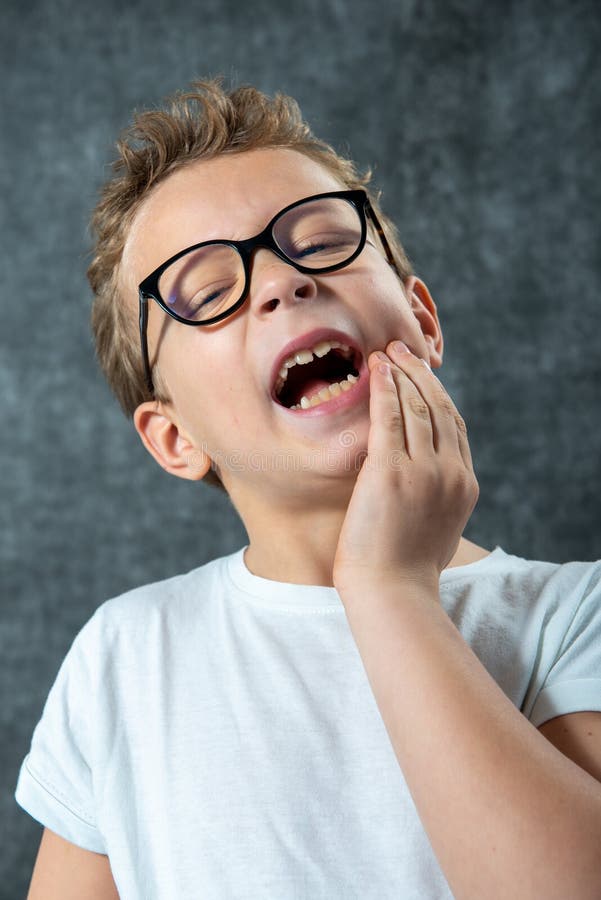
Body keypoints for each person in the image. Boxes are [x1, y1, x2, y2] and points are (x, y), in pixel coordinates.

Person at [16, 79, 601, 900]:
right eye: (207, 293)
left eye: (322, 242)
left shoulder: (576, 618)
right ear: (175, 438)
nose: (282, 283)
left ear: (423, 322)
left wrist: (390, 587)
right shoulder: (125, 659)